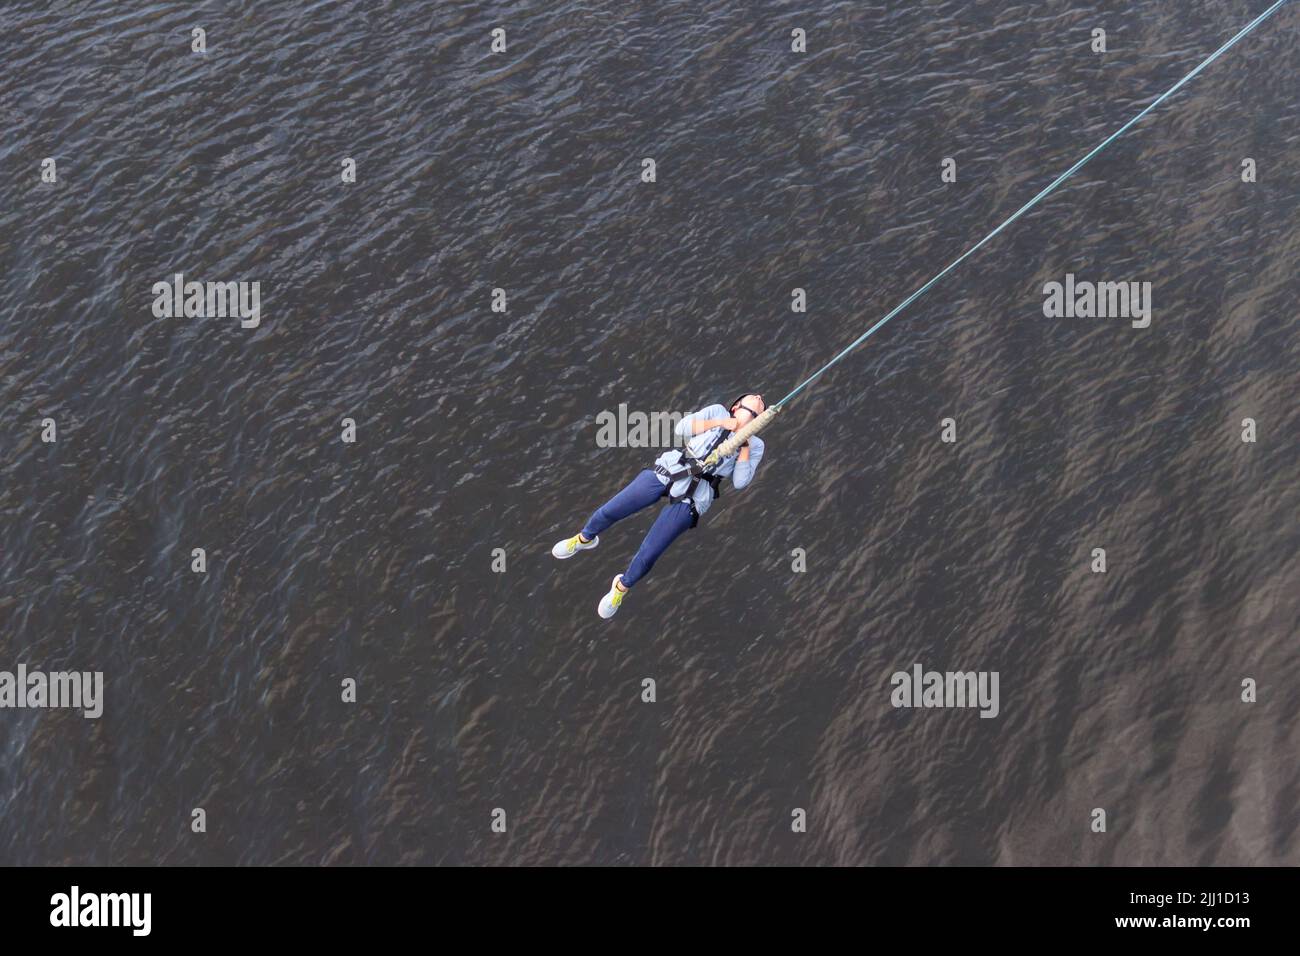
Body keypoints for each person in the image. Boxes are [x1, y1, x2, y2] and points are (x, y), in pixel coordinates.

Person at [551, 394, 767, 618]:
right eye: (752, 404)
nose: (760, 398)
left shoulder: (756, 446)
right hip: (672, 470)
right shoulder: (718, 413)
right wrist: (720, 424)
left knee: (650, 551)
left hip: (694, 495)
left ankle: (620, 588)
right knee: (613, 509)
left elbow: (741, 482)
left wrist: (744, 447)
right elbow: (683, 428)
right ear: (735, 407)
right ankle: (584, 539)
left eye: (758, 413)